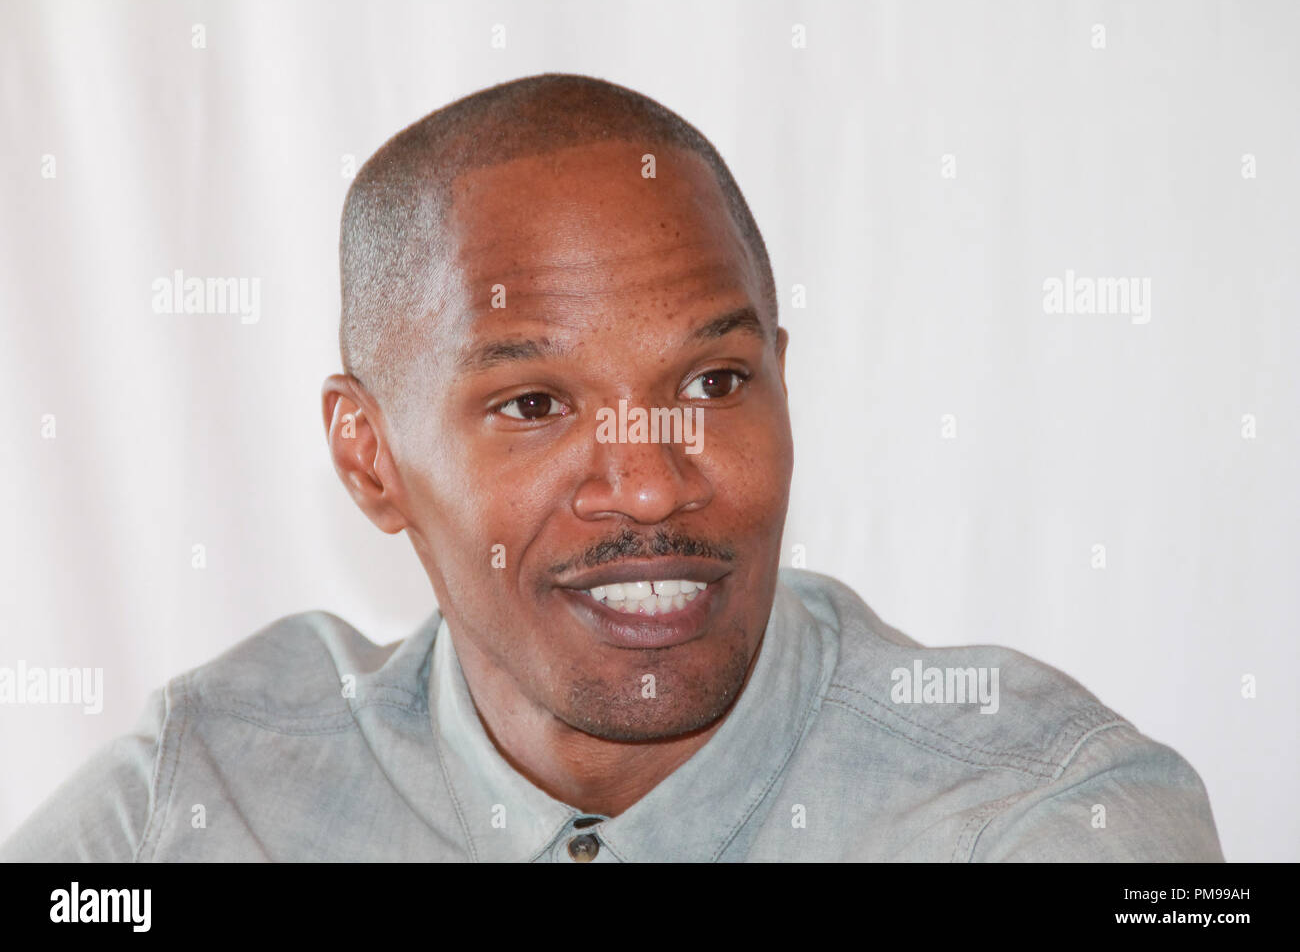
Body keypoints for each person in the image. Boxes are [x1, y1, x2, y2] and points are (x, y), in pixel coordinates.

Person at [1, 73, 1223, 862]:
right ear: (369, 459)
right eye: (535, 404)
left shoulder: (1048, 817)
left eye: (712, 384)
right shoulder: (197, 797)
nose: (648, 486)